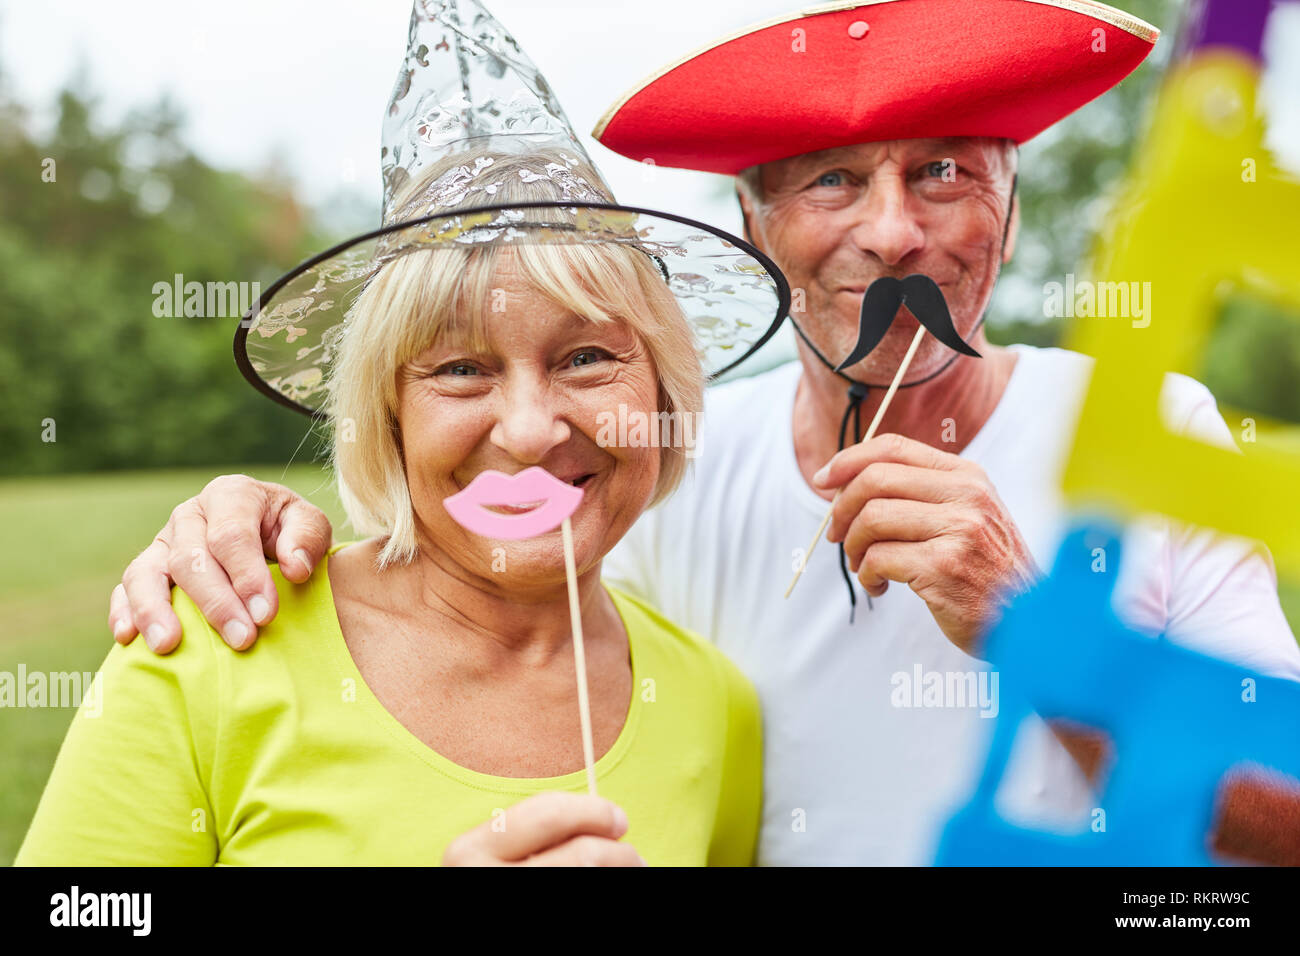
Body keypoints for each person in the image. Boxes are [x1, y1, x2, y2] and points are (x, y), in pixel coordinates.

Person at [108, 0, 1300, 864]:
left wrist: (1030, 626)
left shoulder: (1150, 431)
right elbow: (455, 574)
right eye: (831, 182)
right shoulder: (647, 461)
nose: (890, 233)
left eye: (942, 172)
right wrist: (245, 518)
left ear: (1009, 206)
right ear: (756, 219)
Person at [17, 0, 790, 866]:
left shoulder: (716, 709)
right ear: (388, 415)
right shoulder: (209, 647)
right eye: (461, 369)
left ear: (660, 395)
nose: (531, 432)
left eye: (584, 358)